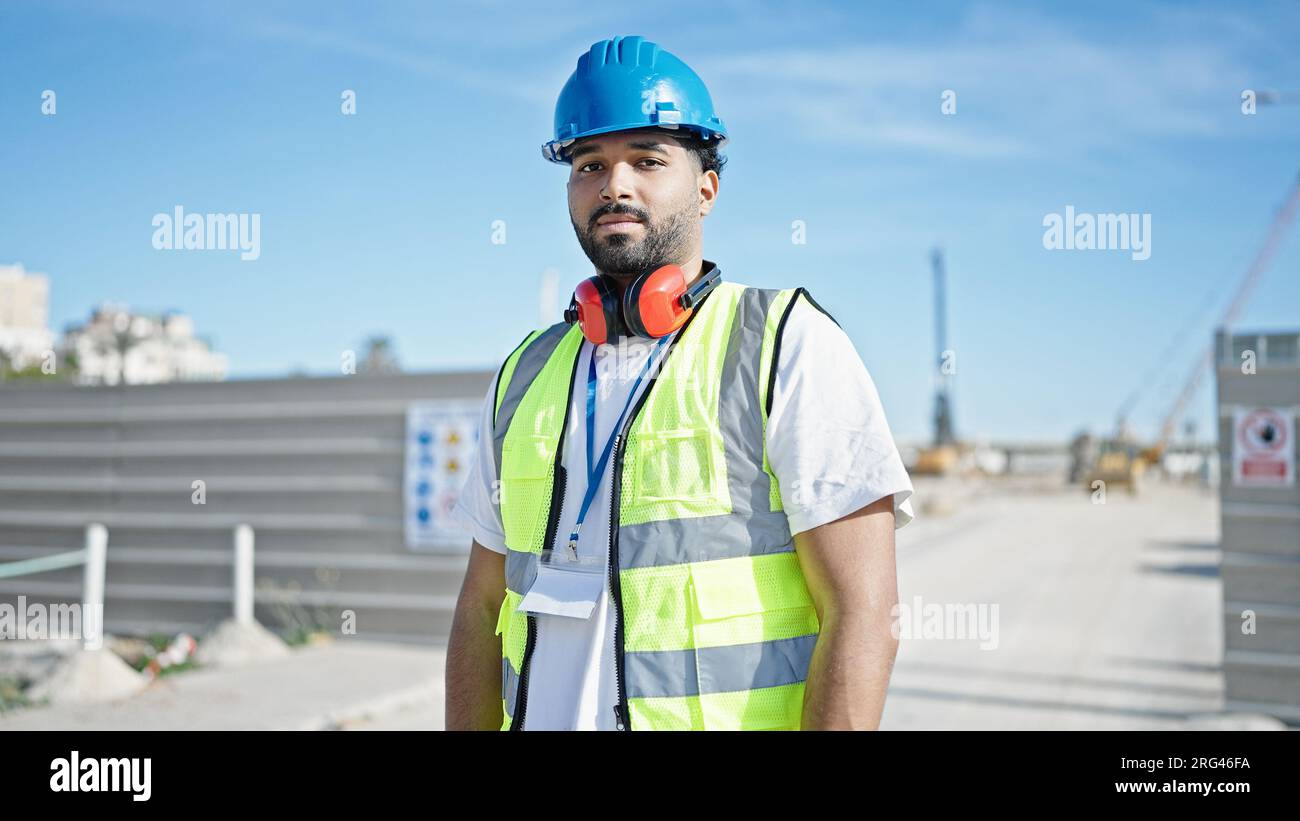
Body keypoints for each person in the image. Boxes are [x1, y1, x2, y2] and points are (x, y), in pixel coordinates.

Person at [446, 35, 914, 731]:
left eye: (646, 159)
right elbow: (481, 608)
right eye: (589, 163)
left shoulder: (786, 344)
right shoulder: (525, 373)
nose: (614, 184)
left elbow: (864, 611)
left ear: (706, 187)